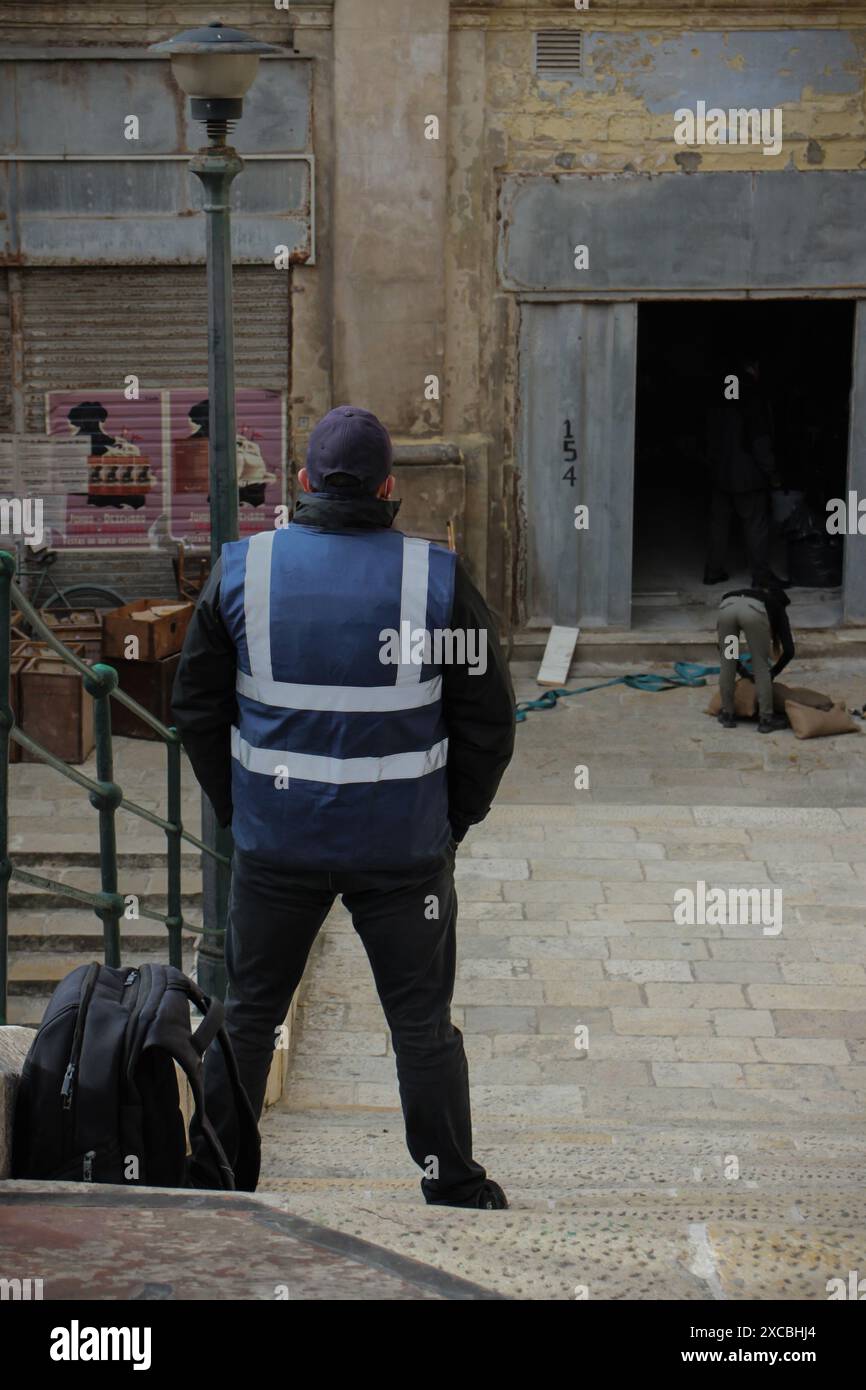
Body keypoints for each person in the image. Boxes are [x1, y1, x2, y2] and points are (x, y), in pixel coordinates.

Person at [171, 405, 516, 1209]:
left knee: (249, 1017)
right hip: (403, 857)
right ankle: (455, 1187)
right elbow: (489, 720)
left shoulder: (241, 572)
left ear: (301, 483)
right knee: (421, 1027)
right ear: (390, 487)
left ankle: (215, 1180)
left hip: (276, 848)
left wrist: (242, 810)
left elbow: (194, 708)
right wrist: (449, 823)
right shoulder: (433, 577)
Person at [704, 356, 779, 585]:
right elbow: (760, 442)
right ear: (753, 368)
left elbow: (709, 436)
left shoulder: (719, 396)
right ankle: (761, 576)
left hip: (720, 473)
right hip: (748, 478)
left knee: (718, 525)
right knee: (756, 525)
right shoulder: (753, 397)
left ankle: (713, 572)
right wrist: (772, 472)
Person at [715, 575, 794, 732]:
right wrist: (773, 672)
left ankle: (727, 714)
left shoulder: (744, 593)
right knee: (760, 665)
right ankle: (766, 719)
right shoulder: (777, 605)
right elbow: (789, 650)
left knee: (727, 660)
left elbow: (722, 648)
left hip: (727, 608)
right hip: (753, 613)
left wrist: (742, 671)